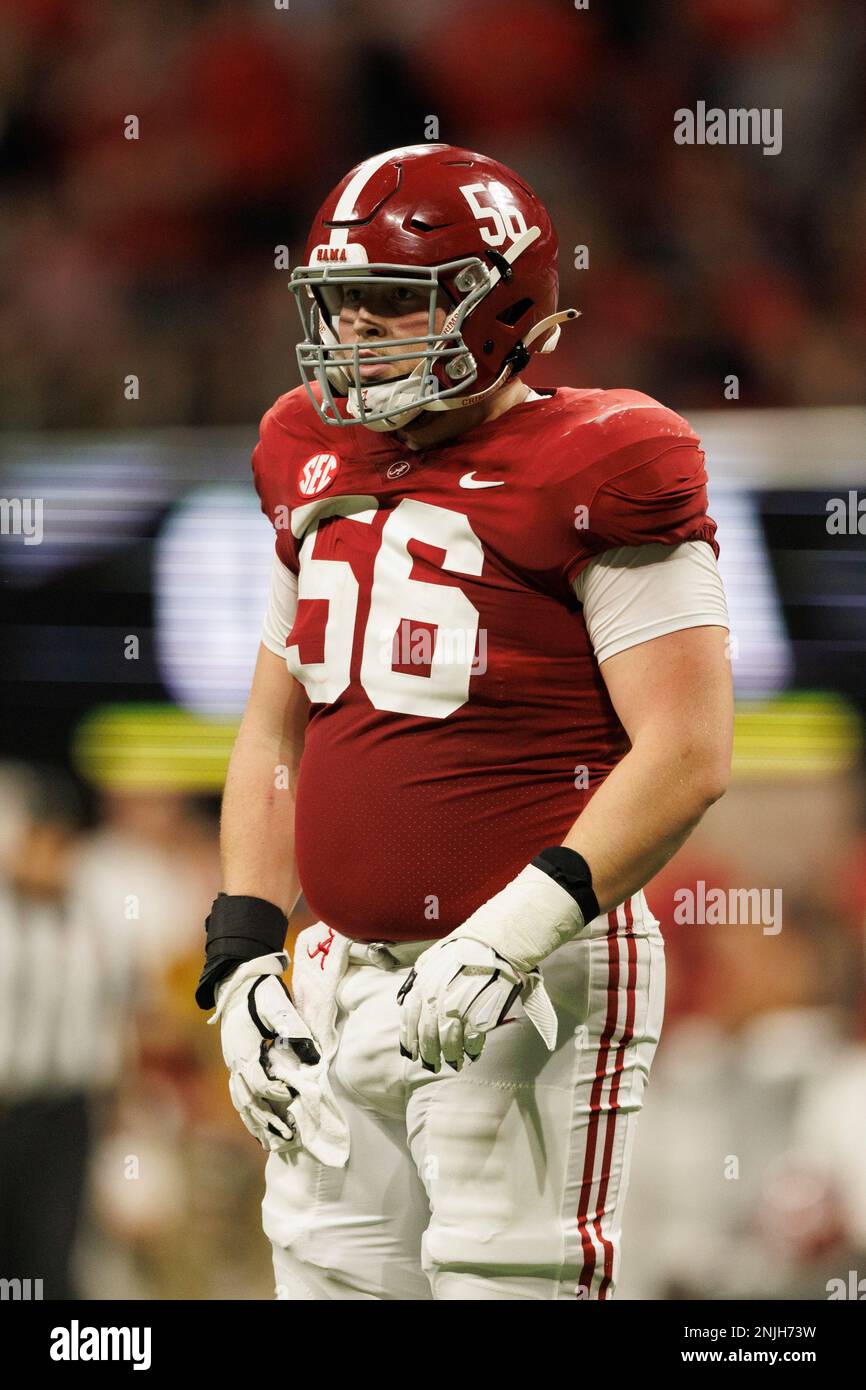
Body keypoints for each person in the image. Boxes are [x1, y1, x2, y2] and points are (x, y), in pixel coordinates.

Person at [195, 143, 734, 1300]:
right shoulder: (304, 444)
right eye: (338, 302)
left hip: (529, 971)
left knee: (505, 1283)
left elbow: (686, 752)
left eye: (389, 303)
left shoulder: (606, 454)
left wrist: (506, 935)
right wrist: (243, 956)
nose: (350, 334)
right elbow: (274, 733)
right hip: (337, 972)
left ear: (502, 306)